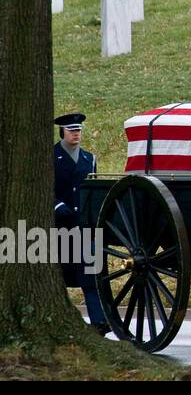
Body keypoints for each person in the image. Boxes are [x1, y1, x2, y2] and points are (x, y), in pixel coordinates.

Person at [53, 112, 109, 336]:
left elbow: (92, 190)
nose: (76, 134)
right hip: (59, 225)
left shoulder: (89, 159)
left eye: (78, 131)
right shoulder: (51, 157)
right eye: (71, 131)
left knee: (90, 275)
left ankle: (99, 320)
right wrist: (57, 207)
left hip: (83, 226)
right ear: (62, 132)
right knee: (61, 274)